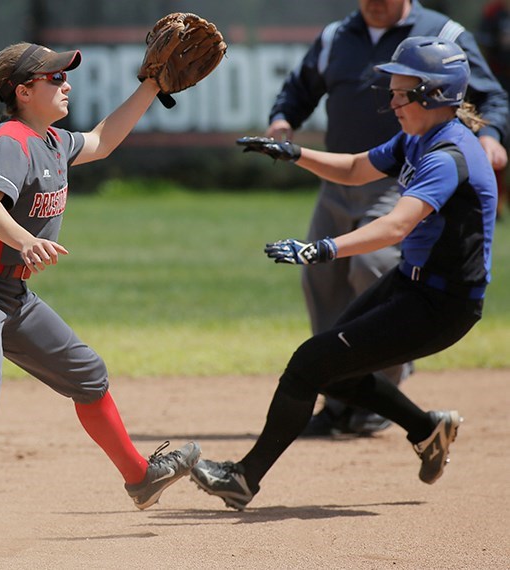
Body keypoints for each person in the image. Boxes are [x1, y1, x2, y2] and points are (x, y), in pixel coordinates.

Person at [0, 43, 201, 555]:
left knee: (88, 376)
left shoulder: (51, 141)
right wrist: (25, 240)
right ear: (24, 92)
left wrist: (152, 86)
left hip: (10, 293)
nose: (65, 84)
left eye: (65, 77)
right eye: (54, 78)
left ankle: (140, 477)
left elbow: (103, 140)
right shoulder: (11, 140)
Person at [190, 36, 496, 511]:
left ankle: (243, 478)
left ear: (432, 95)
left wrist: (322, 249)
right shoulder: (419, 137)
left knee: (310, 363)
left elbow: (396, 225)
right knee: (331, 373)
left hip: (442, 305)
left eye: (400, 92)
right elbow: (356, 168)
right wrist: (295, 154)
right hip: (410, 285)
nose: (392, 101)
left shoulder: (447, 156)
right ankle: (425, 428)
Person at [265, 0, 508, 437]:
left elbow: (488, 96)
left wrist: (491, 135)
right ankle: (340, 397)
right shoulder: (336, 35)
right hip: (349, 177)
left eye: (400, 91)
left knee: (371, 266)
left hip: (403, 188)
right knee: (322, 286)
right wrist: (289, 140)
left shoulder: (445, 37)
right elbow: (305, 95)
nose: (391, 99)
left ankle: (376, 391)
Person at [478, 0, 510, 217]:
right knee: (498, 145)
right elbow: (483, 43)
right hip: (500, 84)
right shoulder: (493, 11)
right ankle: (496, 202)